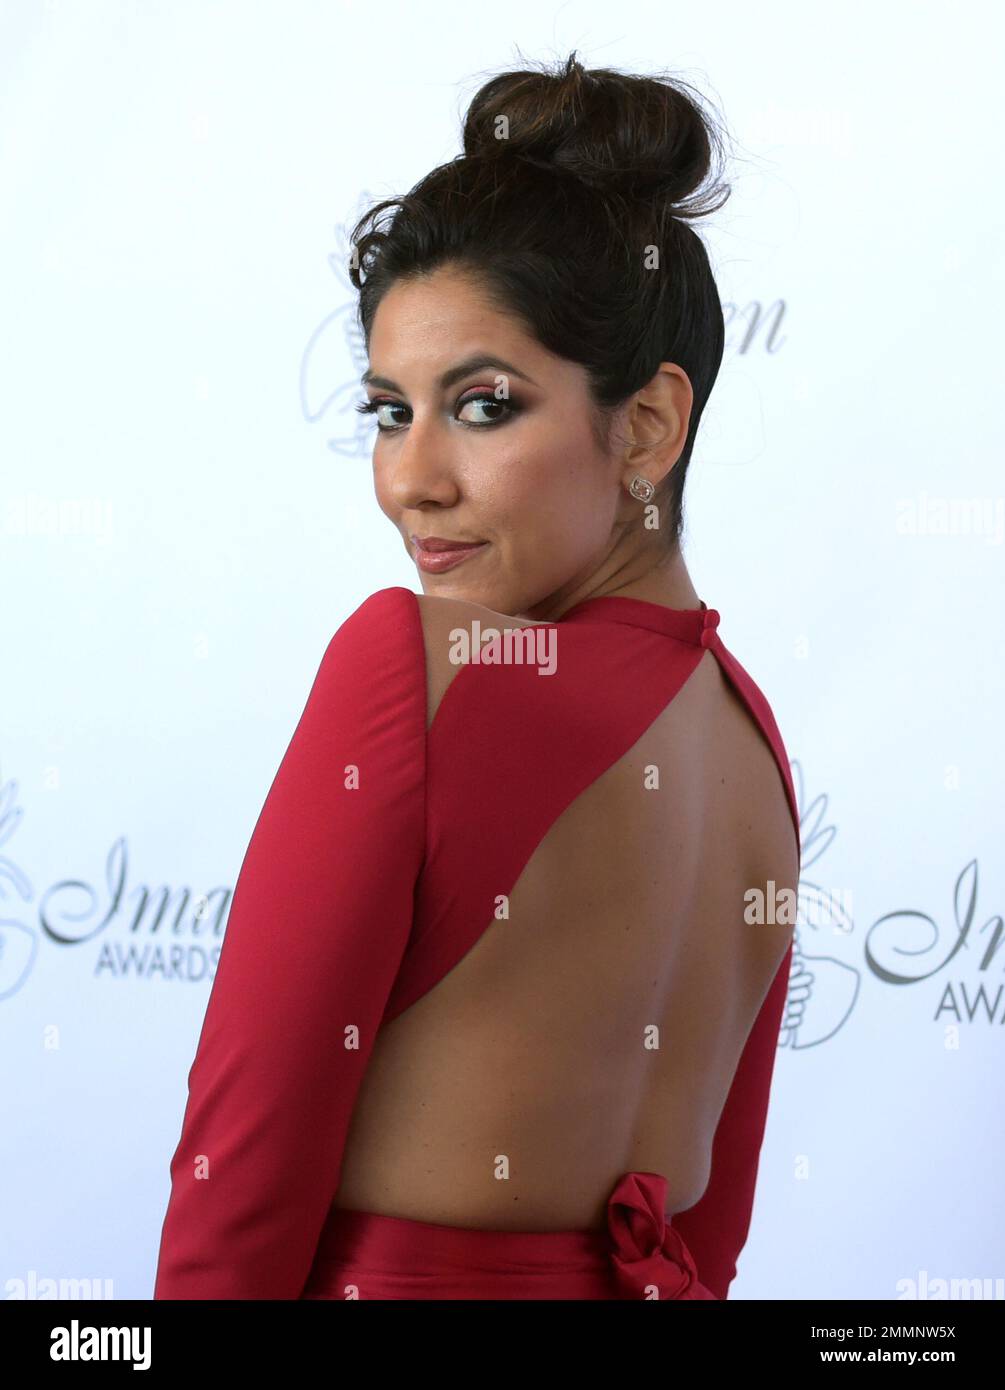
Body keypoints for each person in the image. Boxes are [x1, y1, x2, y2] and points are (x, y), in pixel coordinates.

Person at [153, 50, 801, 1301]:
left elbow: (241, 1179)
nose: (411, 478)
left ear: (649, 426)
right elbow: (709, 1239)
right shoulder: (752, 745)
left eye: (484, 405)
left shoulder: (413, 669)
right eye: (390, 410)